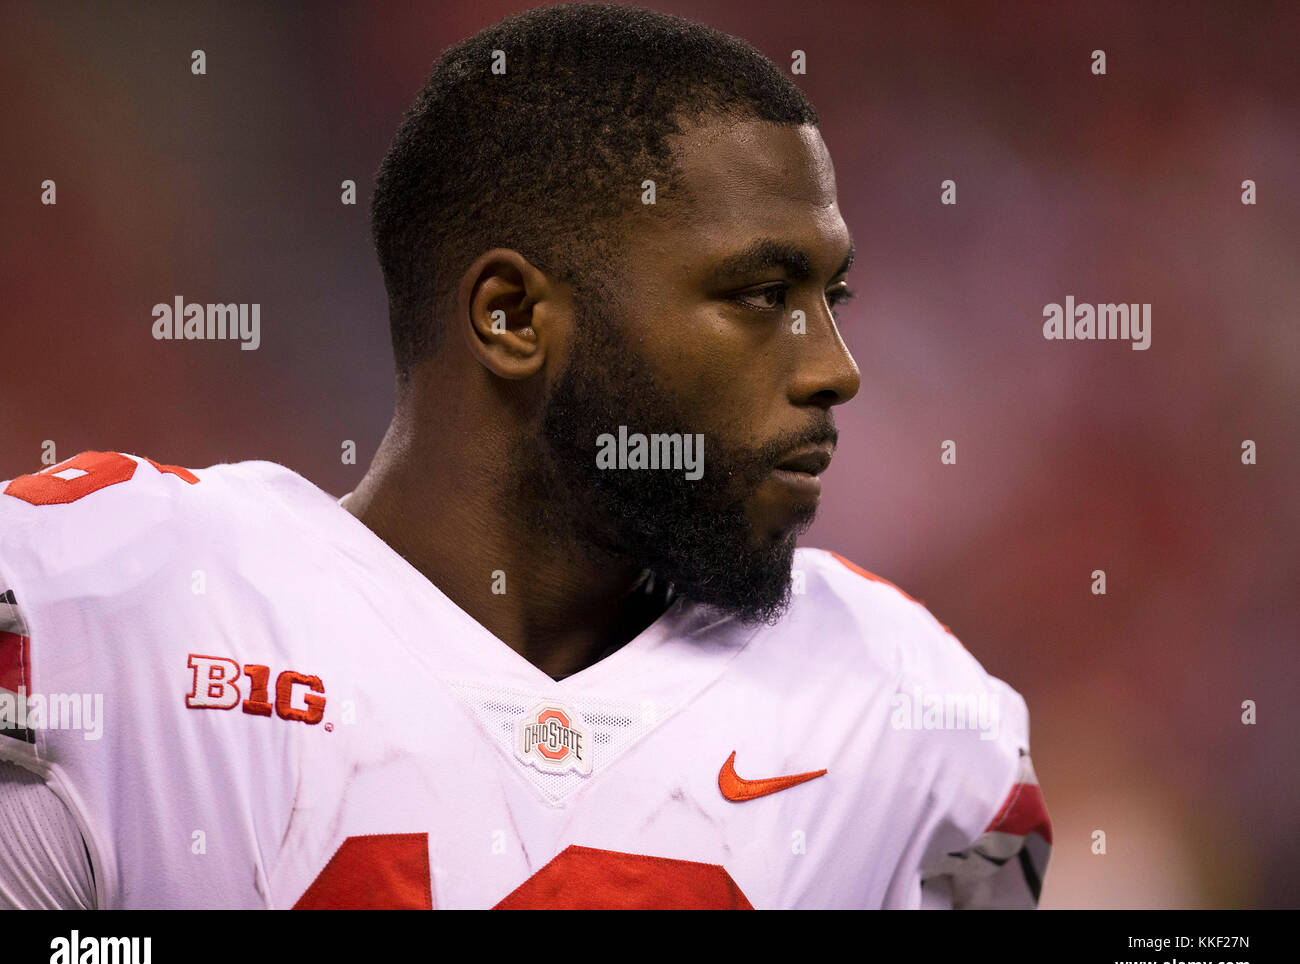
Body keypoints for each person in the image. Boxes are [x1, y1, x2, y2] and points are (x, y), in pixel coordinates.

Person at [0, 3, 1049, 908]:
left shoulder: (899, 711)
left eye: (834, 298)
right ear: (510, 318)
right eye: (761, 295)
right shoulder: (113, 614)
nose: (835, 367)